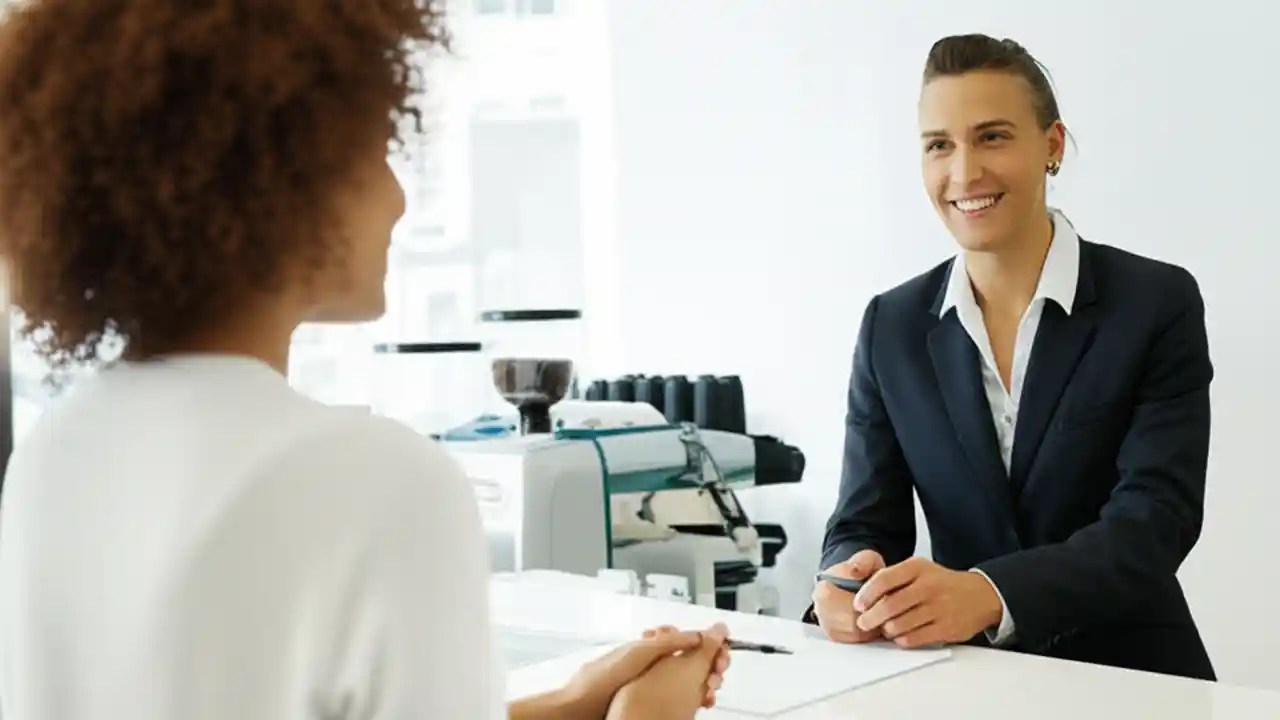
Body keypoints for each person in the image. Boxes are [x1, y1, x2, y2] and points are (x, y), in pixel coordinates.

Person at [0, 1, 729, 718]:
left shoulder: (57, 453)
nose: (397, 200)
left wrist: (568, 704)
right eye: (374, 151)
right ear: (277, 178)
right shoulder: (375, 478)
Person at [806, 33, 1216, 681]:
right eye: (939, 144)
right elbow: (865, 518)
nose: (964, 172)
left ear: (1051, 146)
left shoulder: (1154, 302)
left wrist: (992, 593)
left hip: (1134, 676)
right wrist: (849, 575)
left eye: (992, 136)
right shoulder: (893, 324)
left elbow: (1154, 522)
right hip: (958, 680)